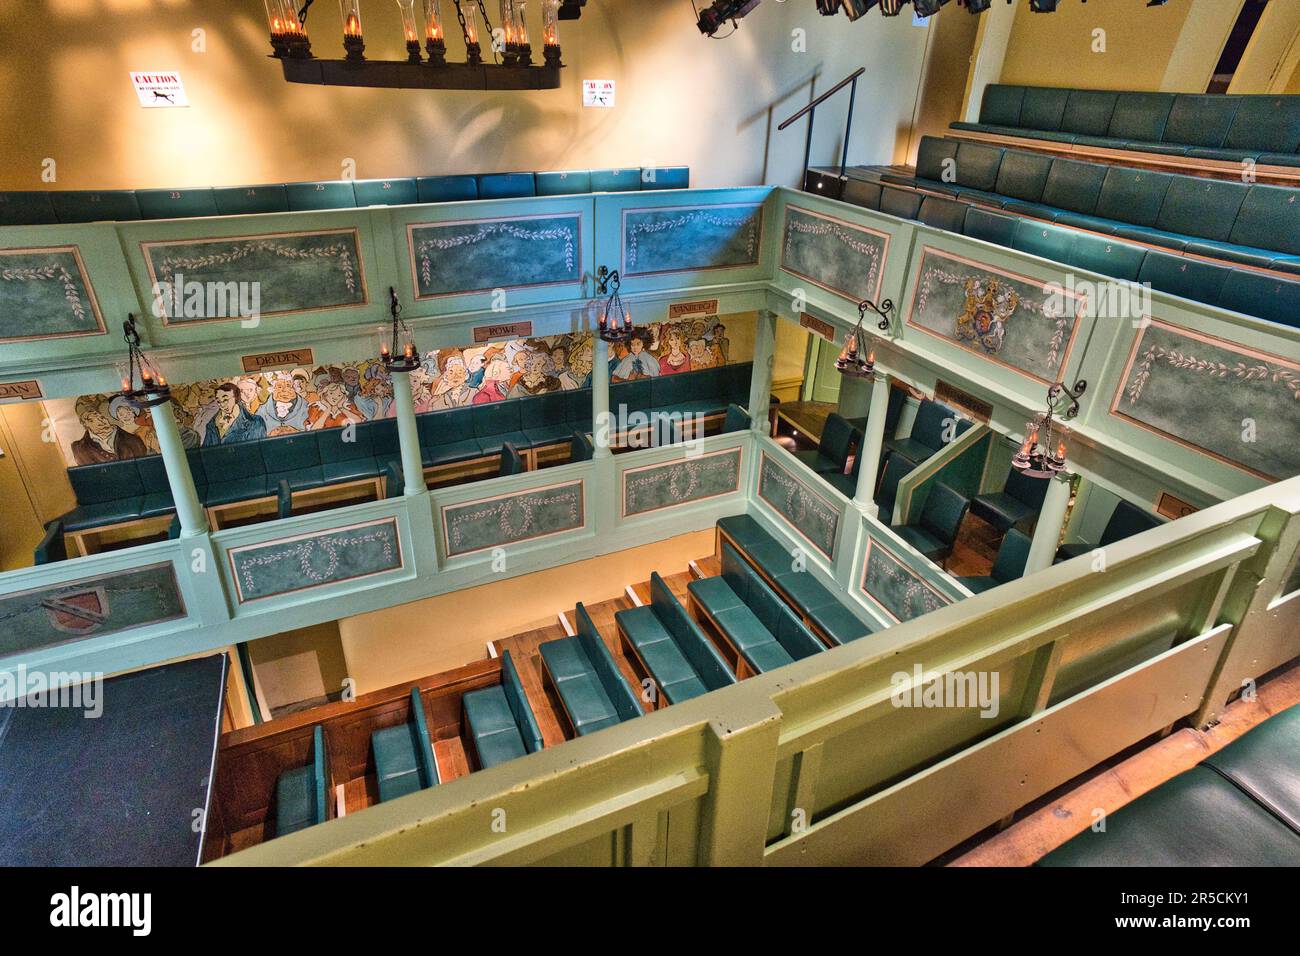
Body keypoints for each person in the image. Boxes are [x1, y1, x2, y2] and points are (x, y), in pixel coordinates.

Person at [71, 397, 148, 464]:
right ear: (85, 424)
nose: (100, 422)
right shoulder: (79, 448)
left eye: (101, 417)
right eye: (91, 419)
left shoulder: (134, 440)